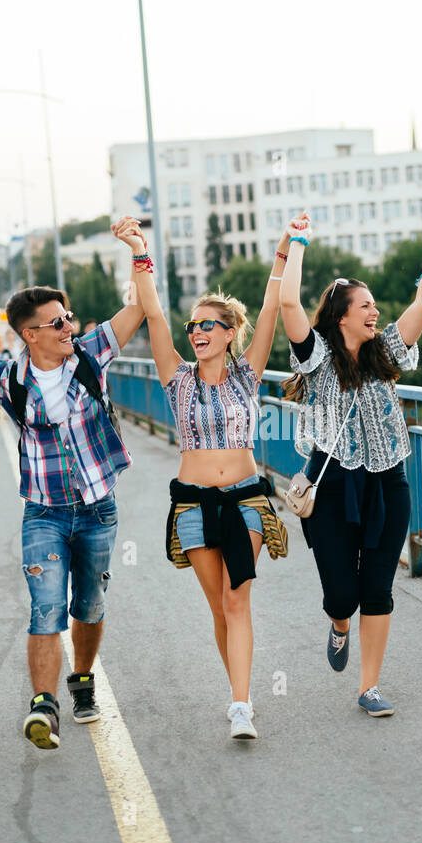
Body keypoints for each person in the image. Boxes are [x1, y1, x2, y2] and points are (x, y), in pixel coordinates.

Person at [0, 226, 147, 752]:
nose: (68, 326)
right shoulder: (6, 377)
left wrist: (139, 253)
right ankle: (44, 706)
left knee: (90, 603)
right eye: (56, 322)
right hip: (44, 512)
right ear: (30, 334)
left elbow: (141, 308)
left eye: (68, 318)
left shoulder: (90, 354)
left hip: (98, 507)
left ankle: (81, 679)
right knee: (45, 608)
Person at [279, 213, 422, 717]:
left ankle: (368, 686)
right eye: (366, 306)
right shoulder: (316, 360)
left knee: (378, 586)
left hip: (389, 483)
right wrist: (298, 241)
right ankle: (338, 623)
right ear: (341, 317)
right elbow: (290, 302)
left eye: (376, 304)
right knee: (342, 593)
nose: (375, 312)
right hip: (335, 487)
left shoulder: (385, 352)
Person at [132, 213, 289, 739]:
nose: (196, 332)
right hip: (195, 505)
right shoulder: (176, 380)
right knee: (219, 607)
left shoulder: (248, 374)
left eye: (207, 326)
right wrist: (140, 253)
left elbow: (271, 309)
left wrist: (286, 251)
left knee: (236, 596)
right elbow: (152, 314)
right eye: (193, 326)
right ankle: (237, 691)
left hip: (245, 500)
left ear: (229, 334)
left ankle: (241, 706)